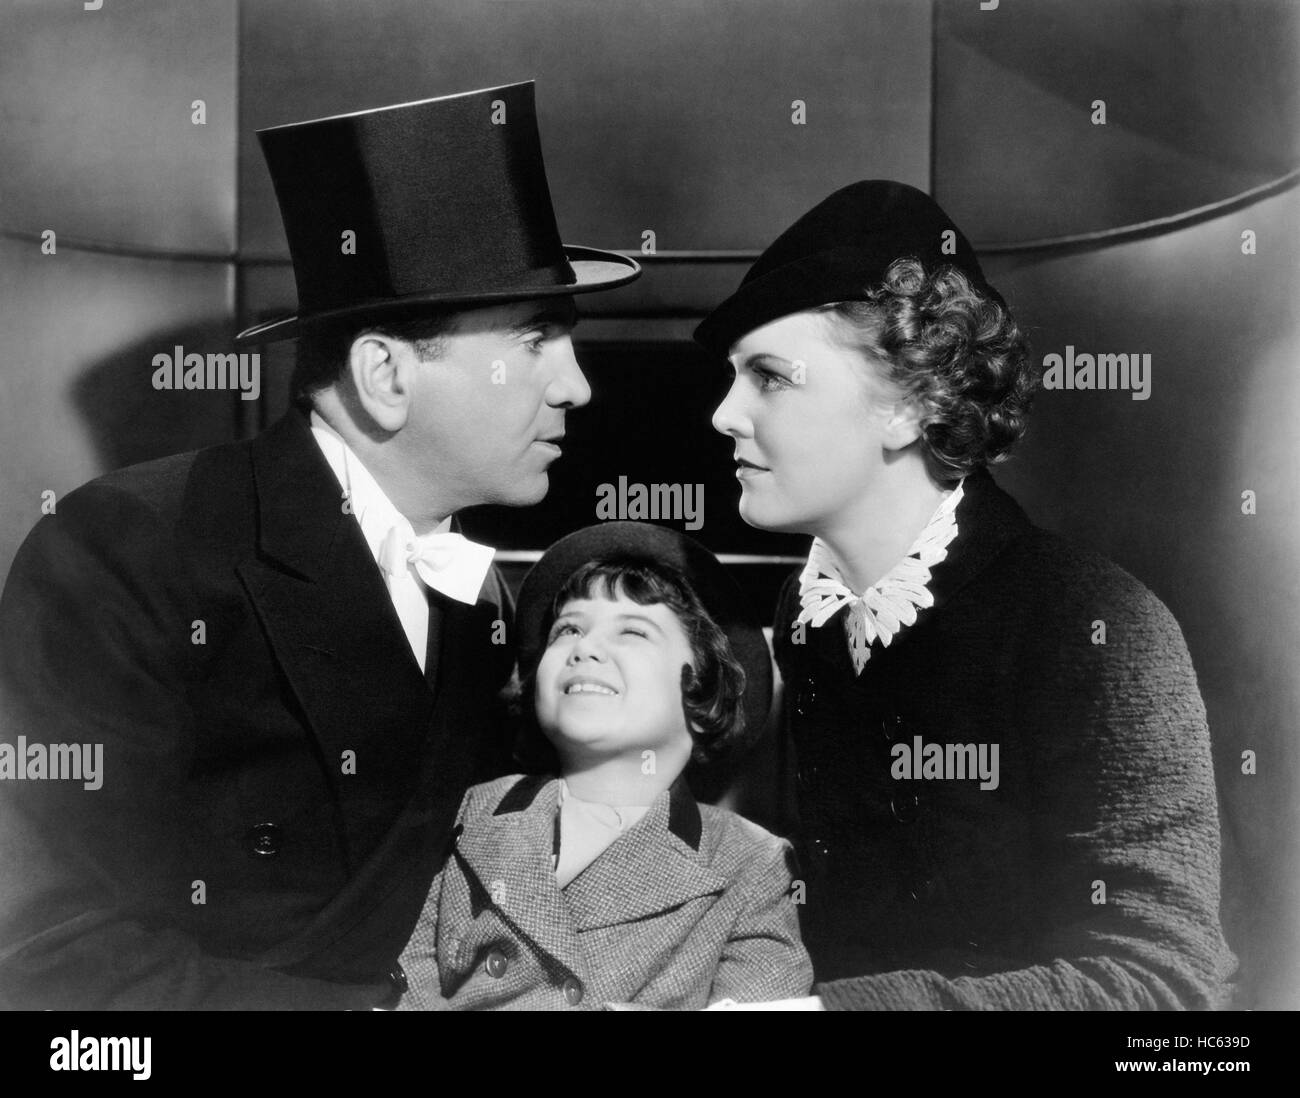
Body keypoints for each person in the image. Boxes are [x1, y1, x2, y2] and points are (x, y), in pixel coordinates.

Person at [0, 82, 639, 1009]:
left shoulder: (482, 594)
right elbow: (47, 958)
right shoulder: (127, 549)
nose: (575, 385)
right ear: (385, 375)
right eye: (535, 339)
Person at [697, 179, 1235, 1010]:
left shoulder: (1090, 623)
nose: (725, 415)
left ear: (909, 403)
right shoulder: (809, 618)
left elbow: (1164, 986)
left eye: (770, 377)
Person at [397, 522, 813, 1009]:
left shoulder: (750, 864)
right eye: (567, 628)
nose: (585, 647)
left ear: (702, 684)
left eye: (633, 632)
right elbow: (406, 978)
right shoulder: (467, 813)